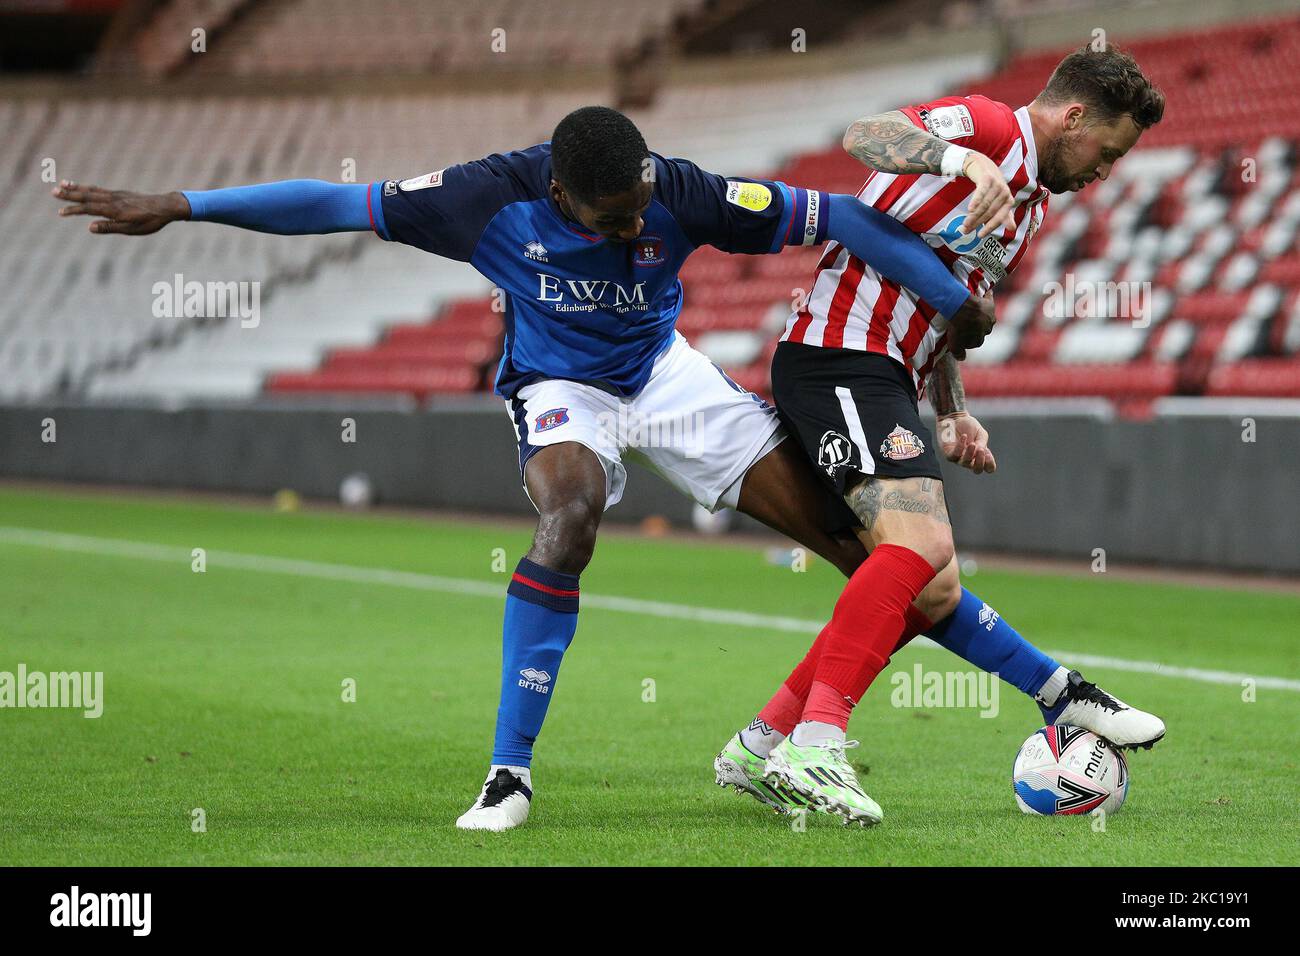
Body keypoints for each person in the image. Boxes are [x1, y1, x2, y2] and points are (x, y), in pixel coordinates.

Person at [717, 44, 1169, 825]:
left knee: (927, 586)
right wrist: (963, 162)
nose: (1106, 173)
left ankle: (763, 744)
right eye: (1108, 151)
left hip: (886, 373)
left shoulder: (1028, 205)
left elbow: (948, 311)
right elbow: (866, 135)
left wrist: (952, 406)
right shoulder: (991, 130)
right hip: (839, 354)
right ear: (1073, 117)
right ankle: (816, 745)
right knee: (920, 553)